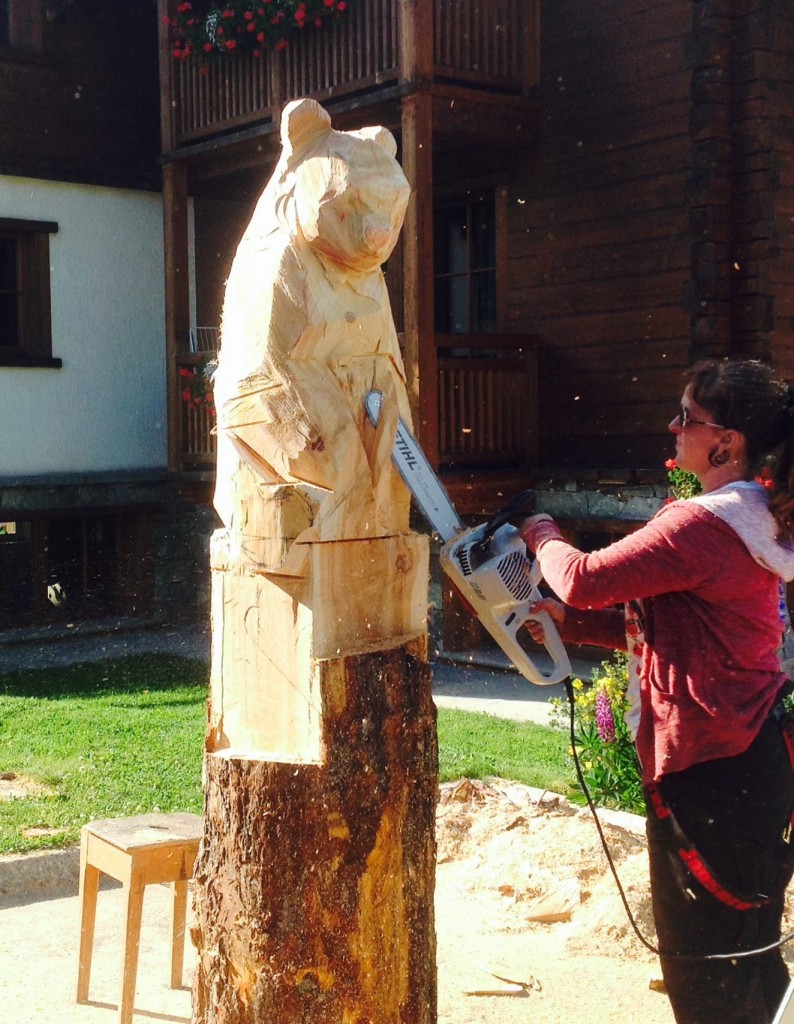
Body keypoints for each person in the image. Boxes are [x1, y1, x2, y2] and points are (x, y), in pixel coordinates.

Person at [519, 359, 794, 1024]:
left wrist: (537, 529)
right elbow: (680, 634)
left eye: (687, 418)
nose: (672, 428)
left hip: (713, 778)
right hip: (749, 763)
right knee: (749, 966)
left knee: (707, 986)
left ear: (724, 442)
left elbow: (580, 575)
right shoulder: (748, 516)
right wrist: (571, 624)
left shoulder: (702, 525)